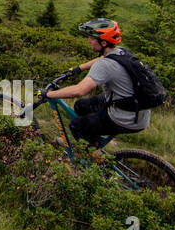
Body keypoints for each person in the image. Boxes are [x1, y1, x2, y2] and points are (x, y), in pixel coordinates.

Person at [43, 18, 150, 147]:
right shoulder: (121, 52)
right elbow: (103, 57)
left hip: (126, 118)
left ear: (103, 43)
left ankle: (97, 161)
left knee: (76, 125)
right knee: (81, 106)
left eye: (92, 38)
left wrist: (48, 94)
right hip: (137, 110)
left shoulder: (104, 65)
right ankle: (92, 141)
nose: (89, 40)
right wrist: (79, 68)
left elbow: (79, 90)